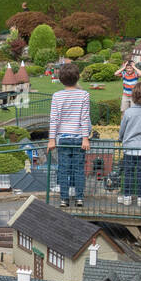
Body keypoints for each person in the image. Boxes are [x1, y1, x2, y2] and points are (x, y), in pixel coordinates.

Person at [46, 62, 92, 207]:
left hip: (63, 138)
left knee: (63, 169)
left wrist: (51, 139)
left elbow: (54, 119)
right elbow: (84, 118)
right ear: (78, 78)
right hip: (79, 138)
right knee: (78, 169)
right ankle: (79, 198)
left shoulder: (57, 96)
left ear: (60, 79)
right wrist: (85, 138)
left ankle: (64, 199)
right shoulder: (84, 95)